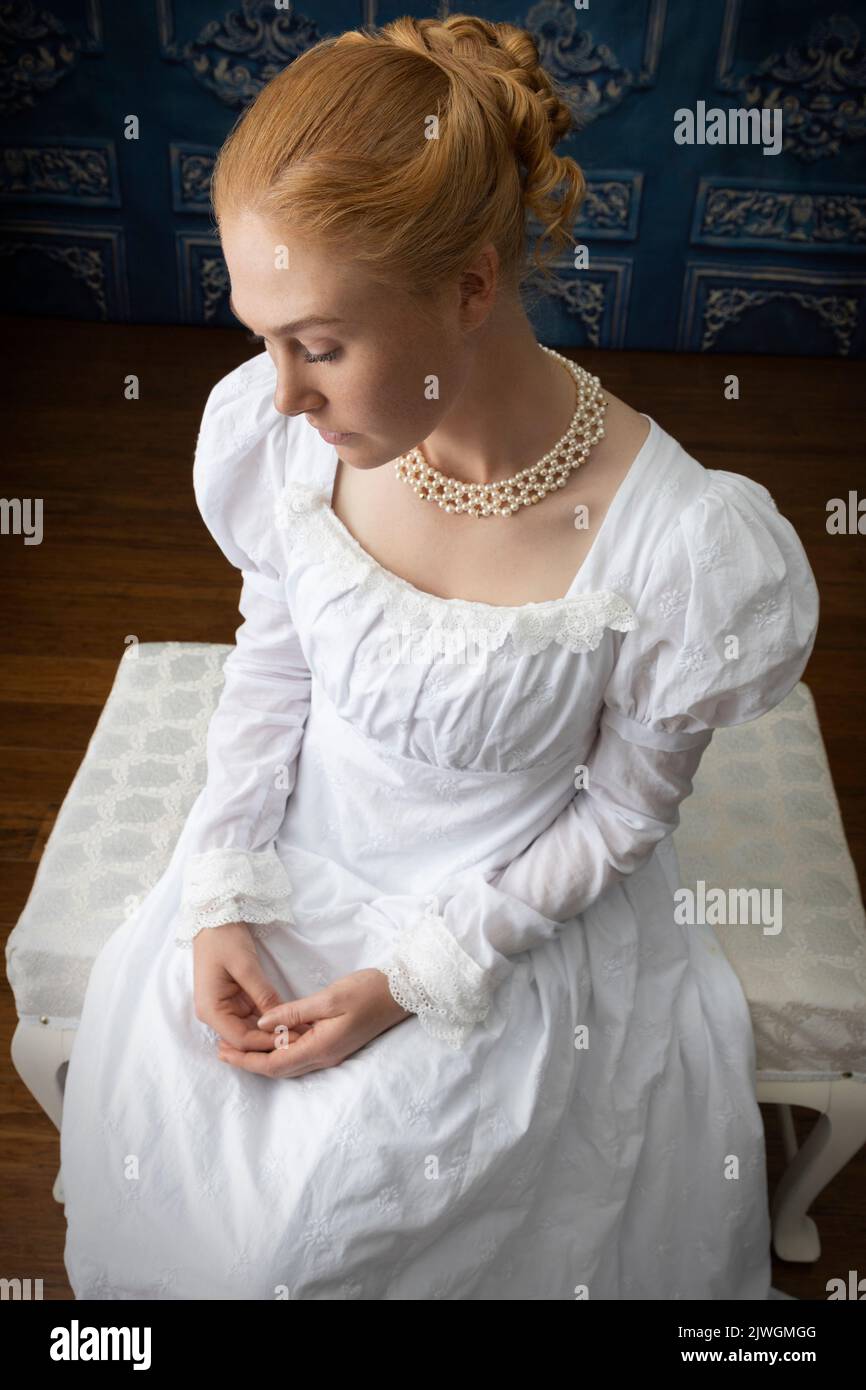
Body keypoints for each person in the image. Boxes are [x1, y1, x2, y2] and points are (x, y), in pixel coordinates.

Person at [60, 15, 820, 1299]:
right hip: (297, 859)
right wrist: (223, 892)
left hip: (495, 920)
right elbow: (275, 667)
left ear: (470, 286)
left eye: (317, 342)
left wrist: (408, 979)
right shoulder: (295, 435)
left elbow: (624, 811)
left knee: (321, 1246)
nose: (280, 392)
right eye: (258, 334)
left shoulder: (678, 542)